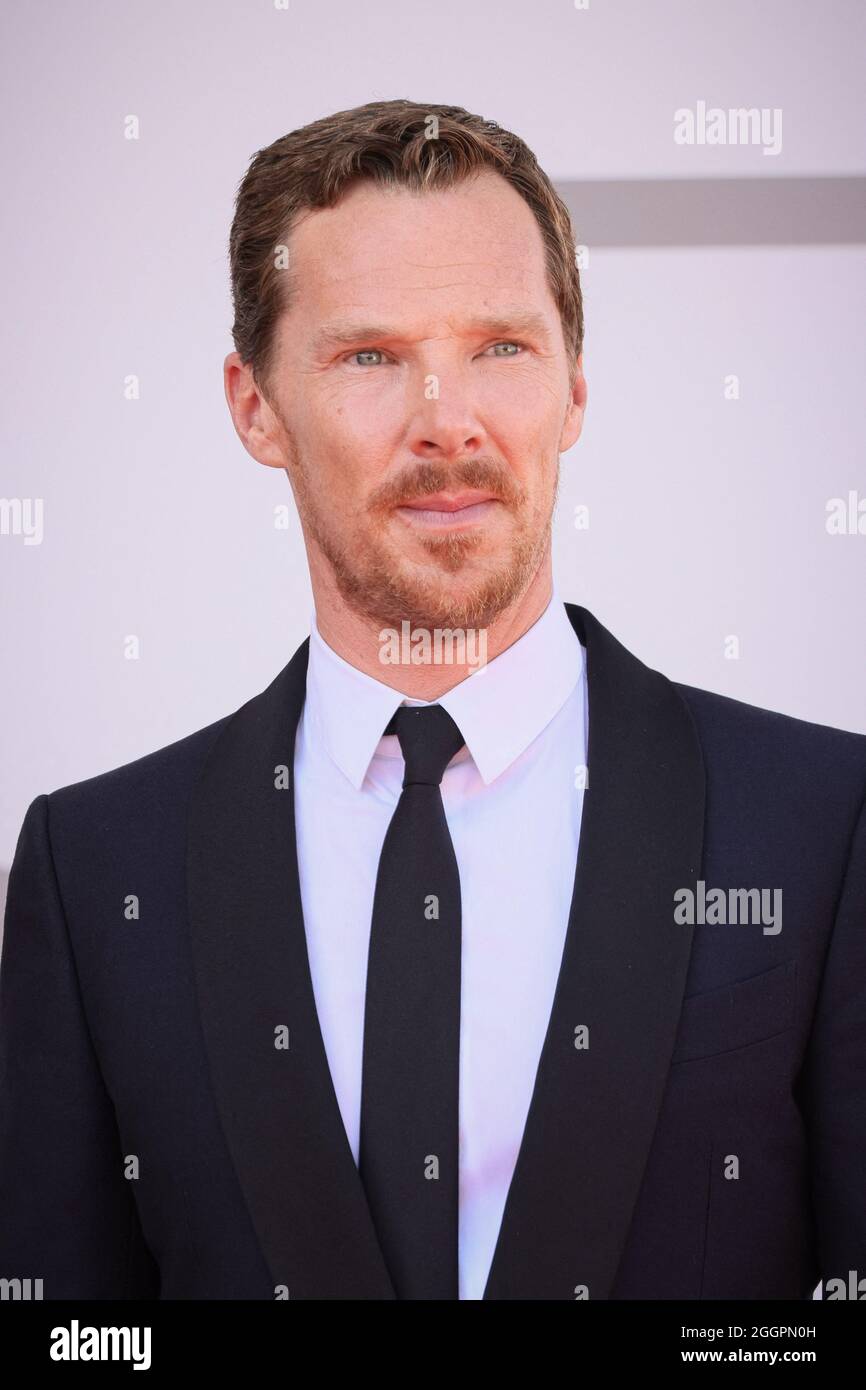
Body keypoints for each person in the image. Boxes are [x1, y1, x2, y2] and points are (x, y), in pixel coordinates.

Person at [1, 100, 864, 1301]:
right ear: (255, 408)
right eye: (370, 357)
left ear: (571, 389)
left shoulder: (824, 825)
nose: (446, 423)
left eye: (500, 348)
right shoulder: (92, 872)